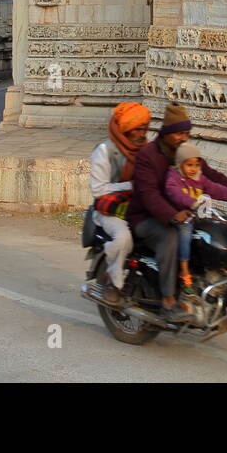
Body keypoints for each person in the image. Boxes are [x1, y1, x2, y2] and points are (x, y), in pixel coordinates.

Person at [128, 104, 227, 323]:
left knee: (221, 233)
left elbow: (210, 177)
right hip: (147, 218)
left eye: (186, 133)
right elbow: (149, 195)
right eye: (179, 133)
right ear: (167, 133)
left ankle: (219, 290)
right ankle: (169, 301)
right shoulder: (148, 156)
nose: (183, 138)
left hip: (184, 216)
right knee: (170, 237)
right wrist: (171, 215)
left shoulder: (185, 154)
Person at [88, 102, 151, 308]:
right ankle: (111, 282)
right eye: (137, 129)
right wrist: (131, 185)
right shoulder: (105, 151)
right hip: (111, 211)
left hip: (140, 207)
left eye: (144, 128)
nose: (142, 134)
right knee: (124, 238)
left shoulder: (146, 149)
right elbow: (98, 189)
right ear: (125, 129)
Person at [162, 142, 227, 296]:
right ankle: (185, 271)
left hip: (198, 215)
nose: (193, 168)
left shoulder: (199, 178)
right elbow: (176, 194)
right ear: (180, 164)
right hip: (180, 217)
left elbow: (216, 188)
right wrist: (192, 203)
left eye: (196, 164)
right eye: (189, 165)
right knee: (186, 233)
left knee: (222, 228)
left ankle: (217, 271)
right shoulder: (172, 178)